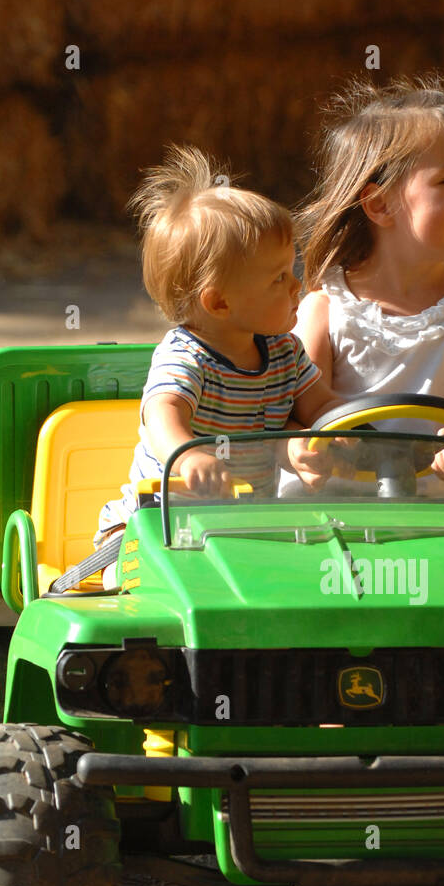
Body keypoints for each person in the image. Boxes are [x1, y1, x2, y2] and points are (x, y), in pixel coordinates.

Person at [96, 145, 337, 573]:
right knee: (137, 574)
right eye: (279, 278)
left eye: (292, 269)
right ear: (219, 302)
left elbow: (321, 407)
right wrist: (188, 457)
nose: (297, 285)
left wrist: (311, 441)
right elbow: (161, 413)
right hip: (156, 522)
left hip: (242, 525)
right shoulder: (186, 355)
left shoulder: (284, 352)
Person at [294, 75, 444, 481]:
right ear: (379, 204)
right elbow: (297, 421)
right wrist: (305, 454)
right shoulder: (324, 312)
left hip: (435, 519)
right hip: (330, 516)